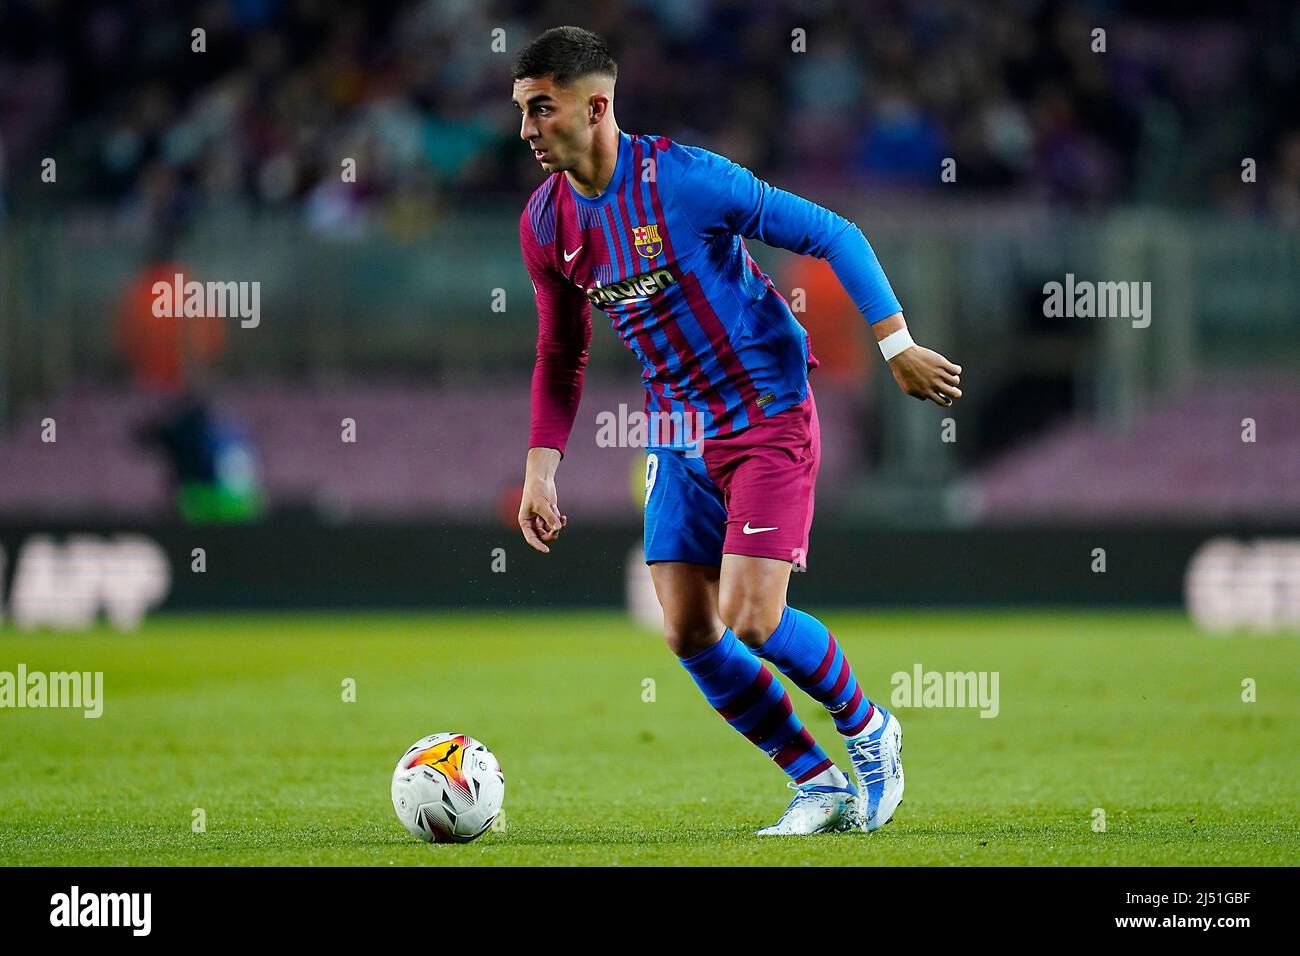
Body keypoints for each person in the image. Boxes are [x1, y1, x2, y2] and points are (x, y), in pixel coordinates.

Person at [513, 27, 962, 835]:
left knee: (752, 616)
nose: (526, 130)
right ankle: (815, 782)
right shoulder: (545, 224)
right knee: (688, 627)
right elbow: (559, 350)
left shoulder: (685, 181)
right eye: (522, 111)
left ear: (596, 106)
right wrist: (542, 469)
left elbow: (835, 233)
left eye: (542, 109)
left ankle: (869, 730)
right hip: (675, 429)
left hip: (763, 413)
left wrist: (895, 344)